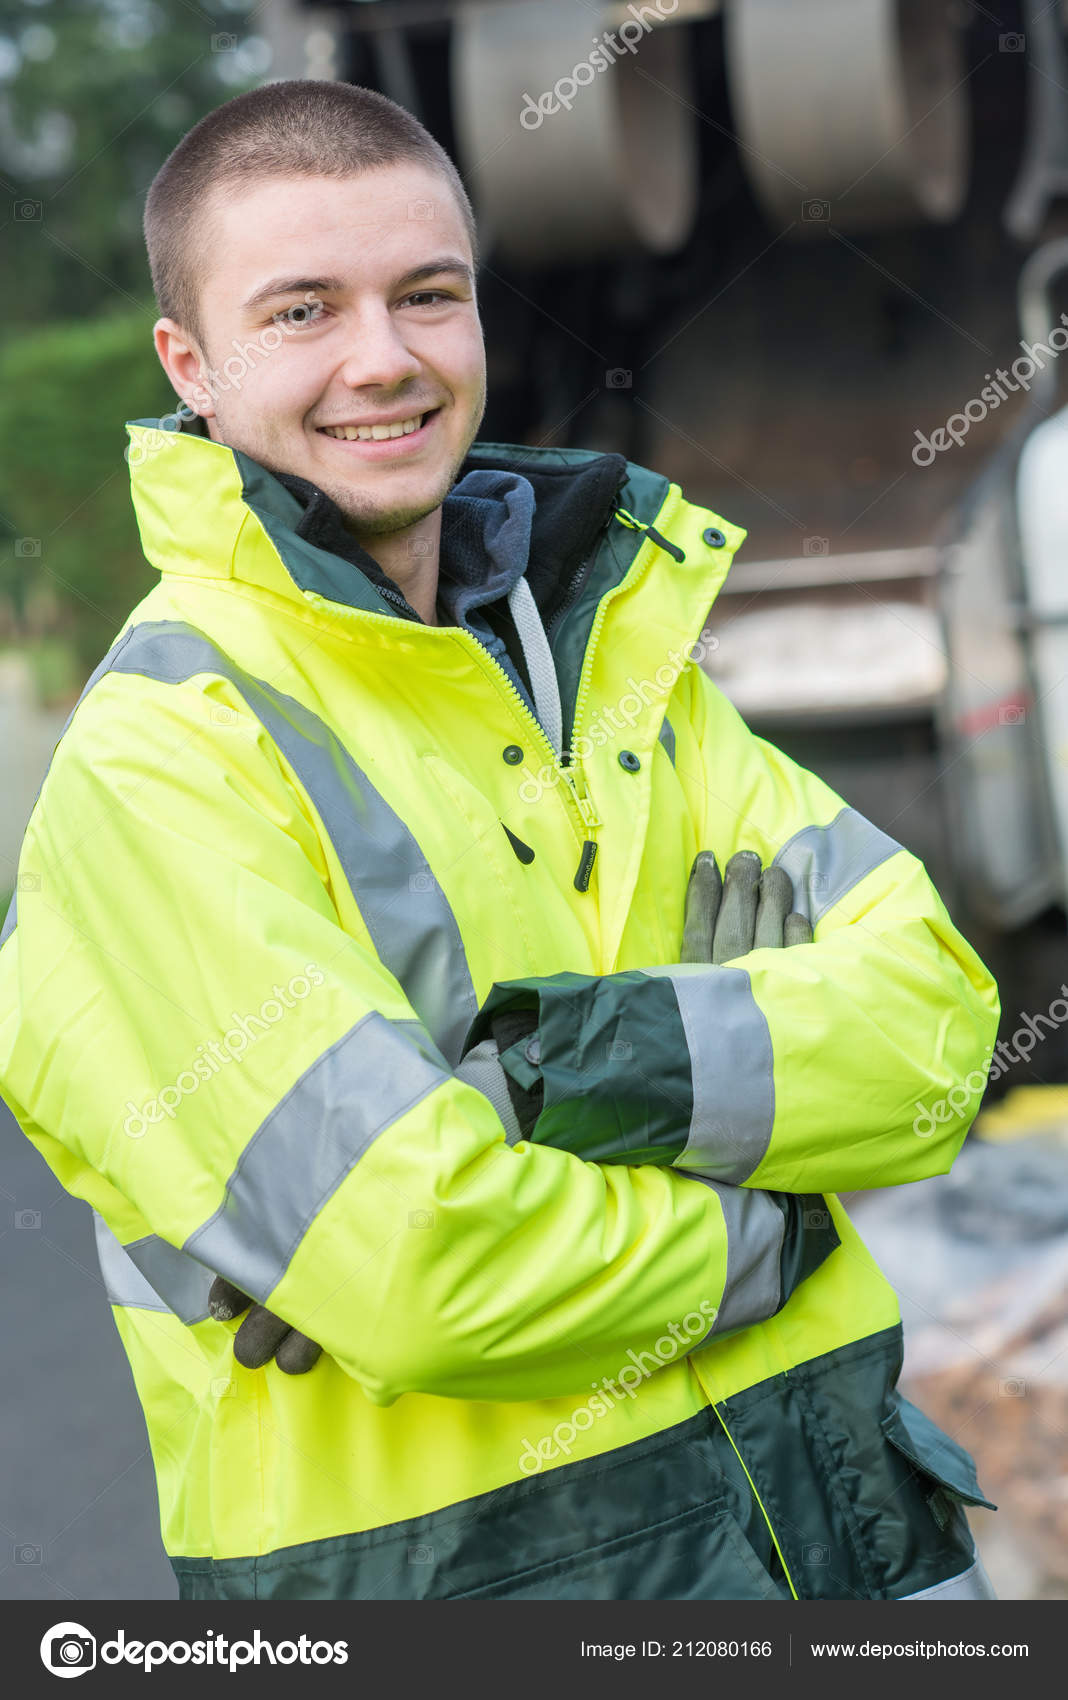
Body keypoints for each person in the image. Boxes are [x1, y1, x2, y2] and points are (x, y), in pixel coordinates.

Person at [0, 79, 1001, 1602]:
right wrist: (773, 1219)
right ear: (189, 365)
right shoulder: (165, 759)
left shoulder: (608, 664)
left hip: (827, 1527)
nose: (382, 360)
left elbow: (938, 1030)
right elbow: (427, 1269)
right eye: (302, 313)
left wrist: (553, 1071)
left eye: (427, 296)